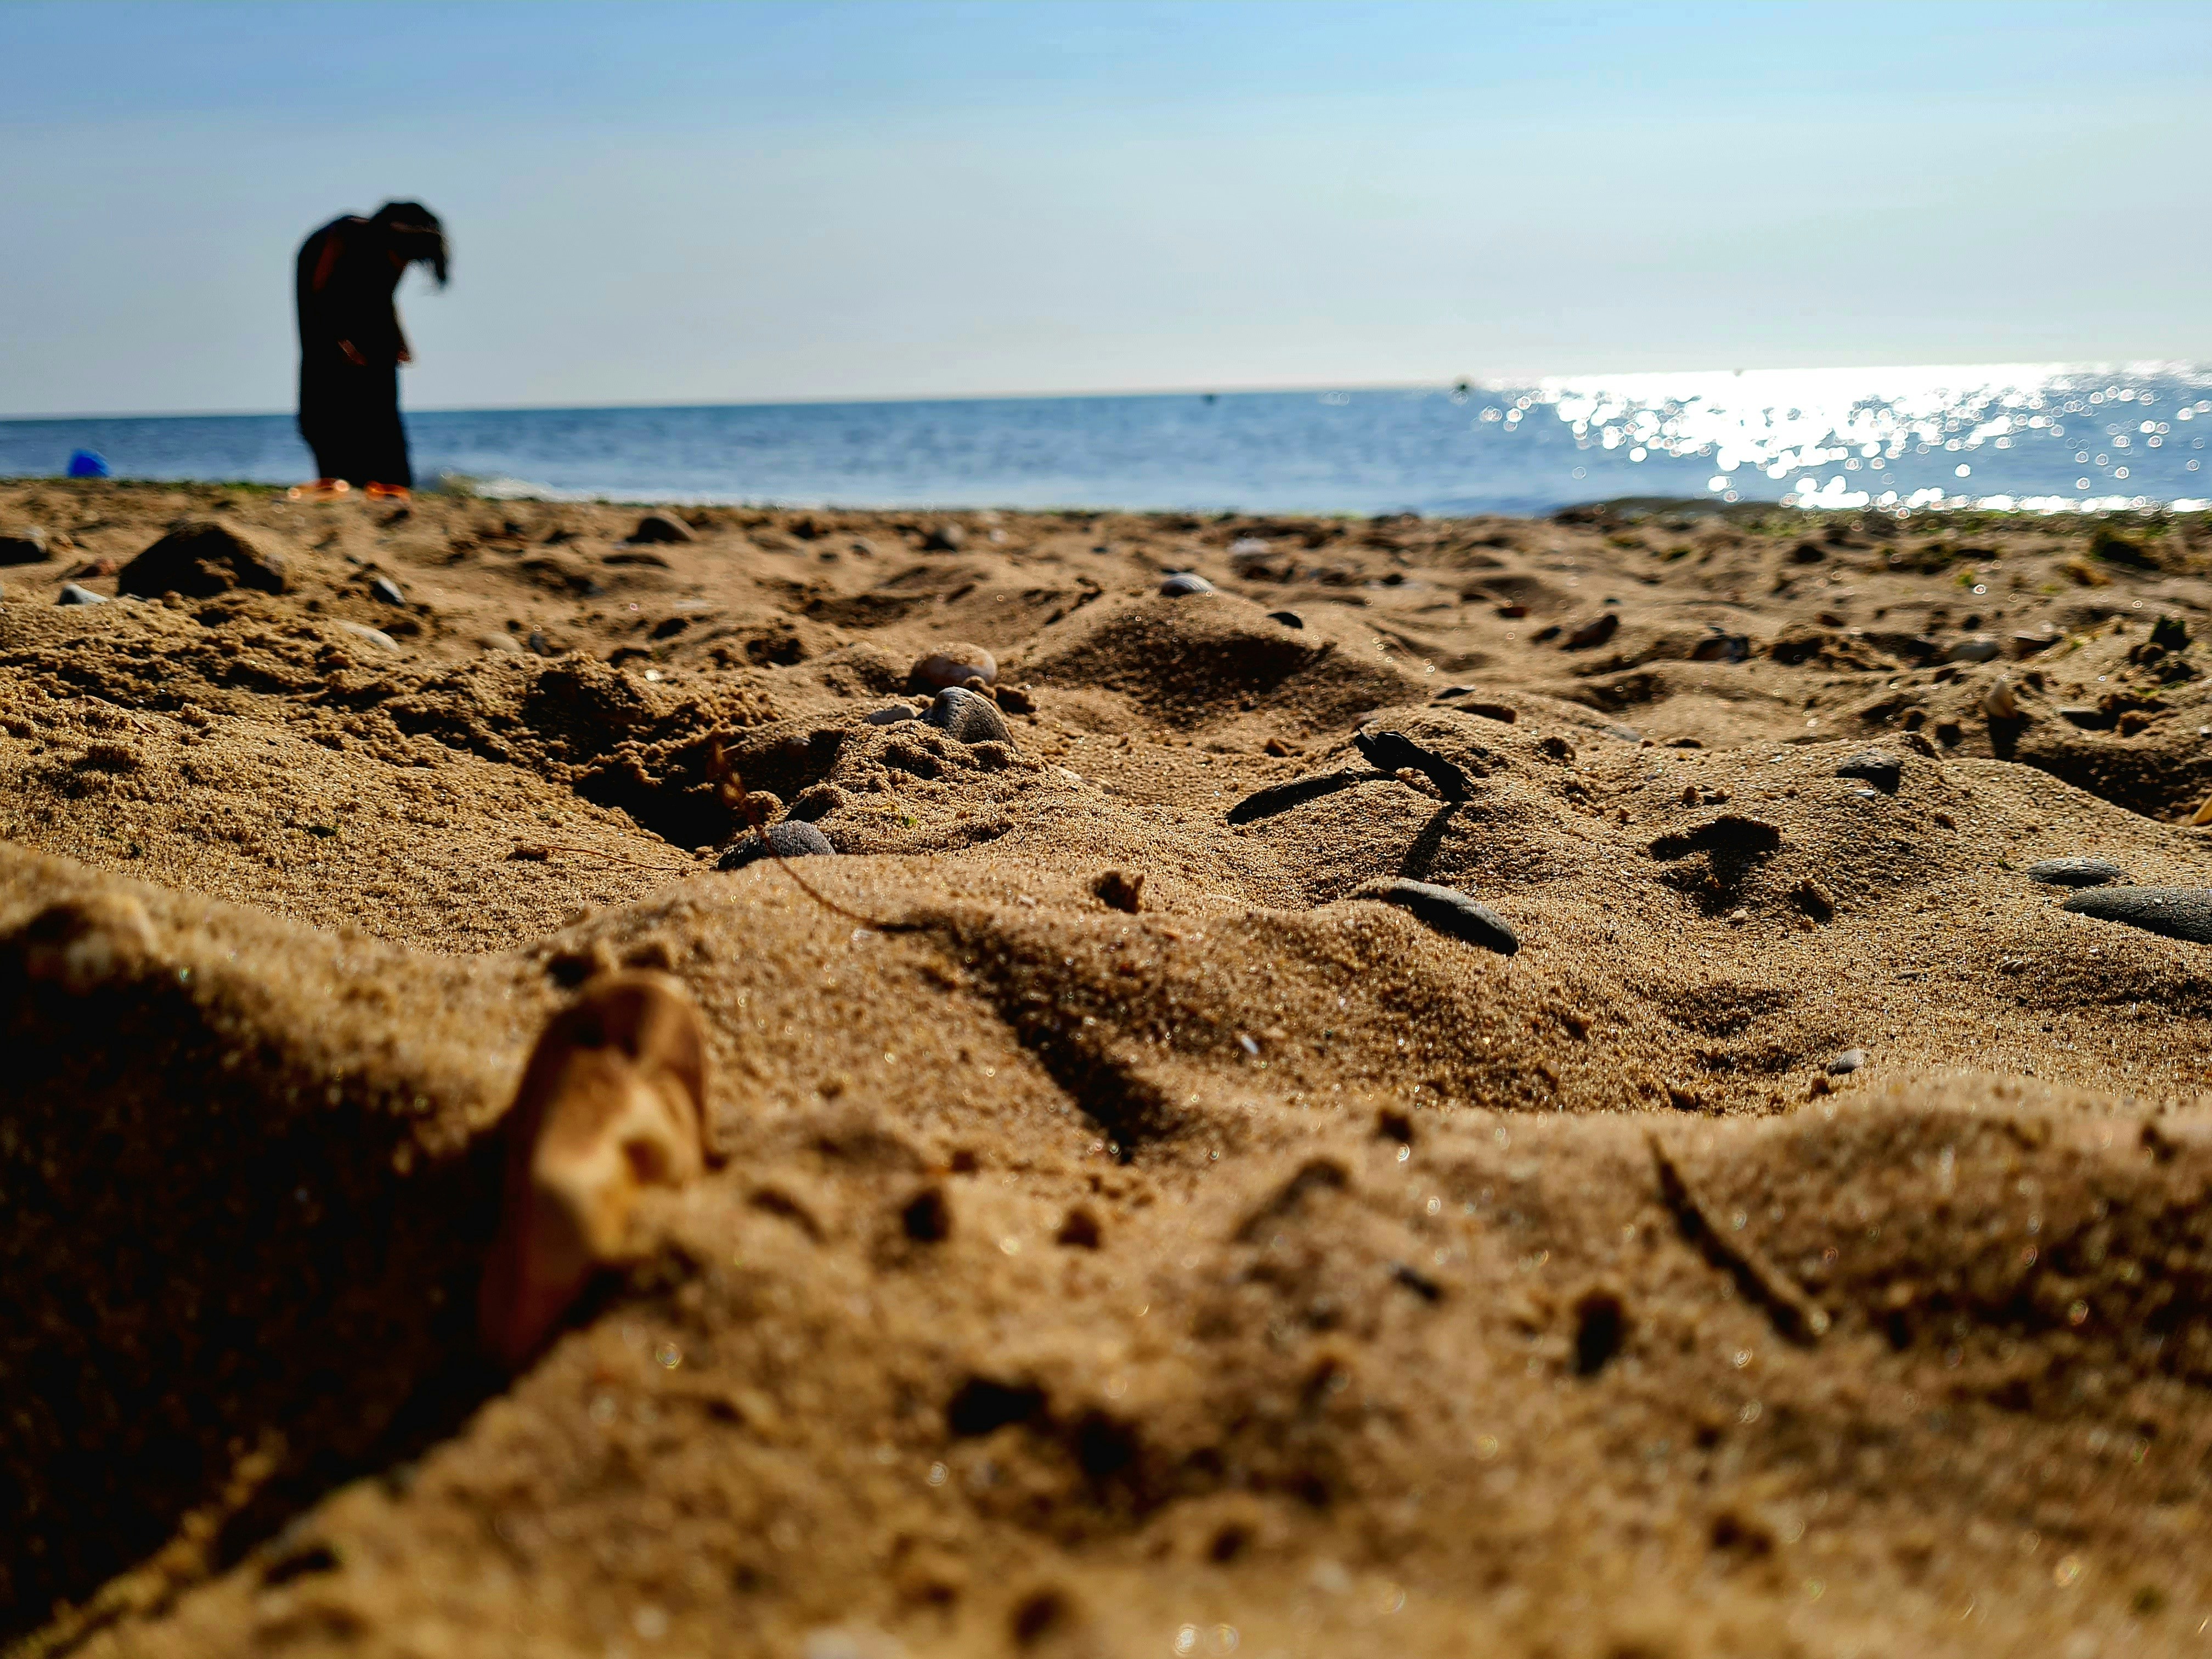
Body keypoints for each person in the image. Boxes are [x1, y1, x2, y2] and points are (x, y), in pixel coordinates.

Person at [294, 201, 449, 496]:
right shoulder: (344, 234)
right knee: (325, 395)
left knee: (382, 394)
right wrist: (341, 342)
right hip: (323, 323)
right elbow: (319, 293)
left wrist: (401, 340)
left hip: (366, 325)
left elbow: (386, 298)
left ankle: (388, 479)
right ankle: (338, 477)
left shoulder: (400, 254)